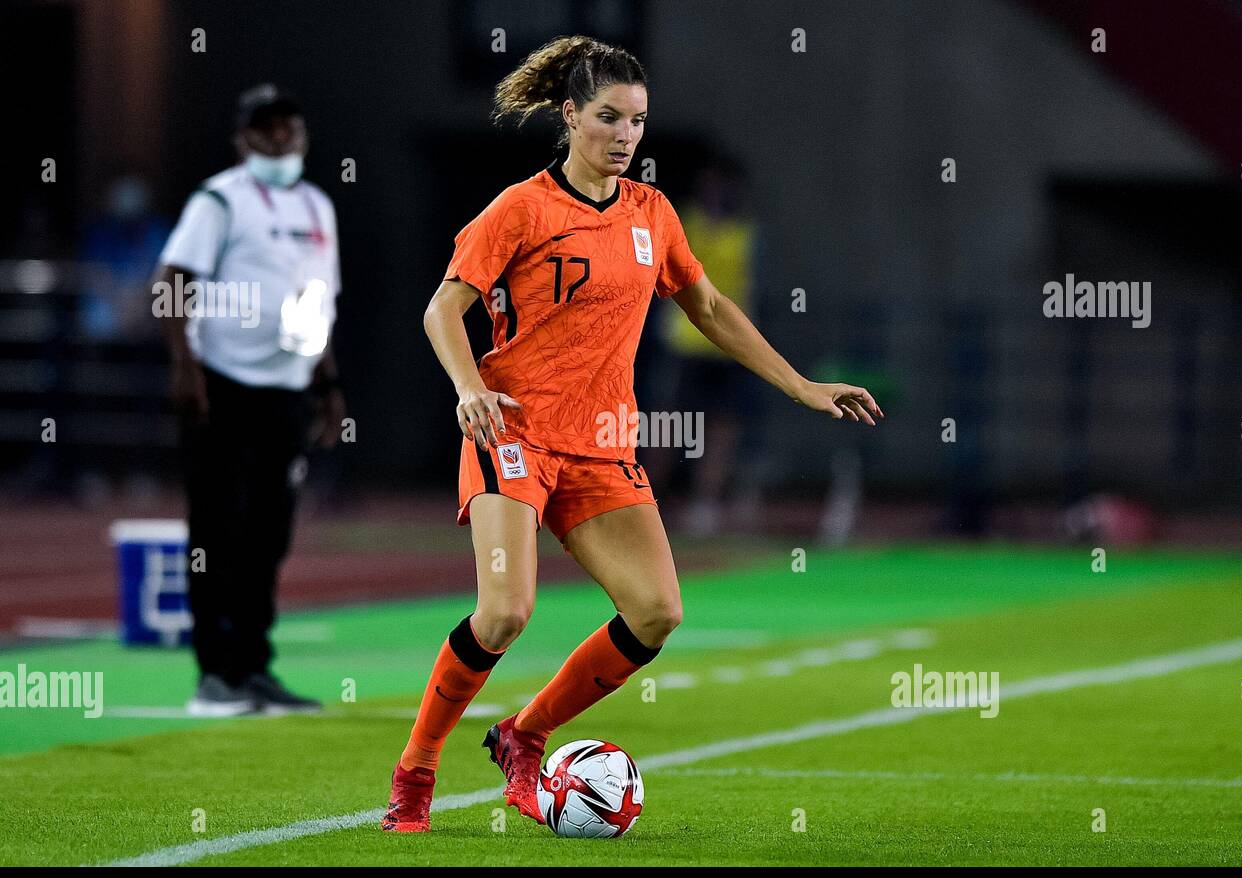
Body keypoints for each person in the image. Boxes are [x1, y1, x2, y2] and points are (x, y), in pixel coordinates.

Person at [383, 37, 882, 832]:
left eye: (638, 122)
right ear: (569, 114)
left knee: (656, 612)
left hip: (602, 442)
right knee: (504, 613)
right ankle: (415, 772)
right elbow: (443, 309)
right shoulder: (521, 208)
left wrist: (800, 386)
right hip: (511, 429)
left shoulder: (653, 213)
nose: (624, 136)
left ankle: (525, 736)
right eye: (608, 117)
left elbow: (710, 309)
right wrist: (469, 388)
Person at [153, 84, 346, 717]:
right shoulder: (220, 199)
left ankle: (254, 667)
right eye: (266, 130)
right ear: (243, 140)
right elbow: (174, 280)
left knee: (270, 531)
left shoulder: (319, 205)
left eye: (290, 128)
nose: (280, 139)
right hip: (224, 385)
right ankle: (215, 673)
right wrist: (186, 369)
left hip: (287, 390)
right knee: (216, 527)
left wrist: (327, 385)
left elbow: (320, 301)